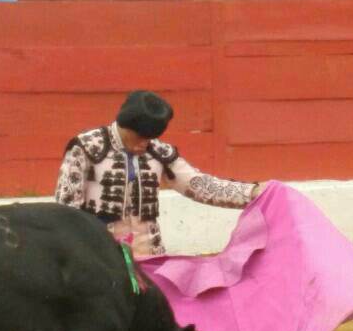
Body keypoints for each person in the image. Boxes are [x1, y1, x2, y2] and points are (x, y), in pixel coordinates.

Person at [55, 90, 266, 256]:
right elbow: (66, 208)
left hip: (150, 255)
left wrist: (253, 192)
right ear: (123, 125)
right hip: (99, 256)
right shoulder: (87, 147)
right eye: (138, 138)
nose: (144, 145)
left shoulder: (158, 151)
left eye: (149, 139)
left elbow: (197, 185)